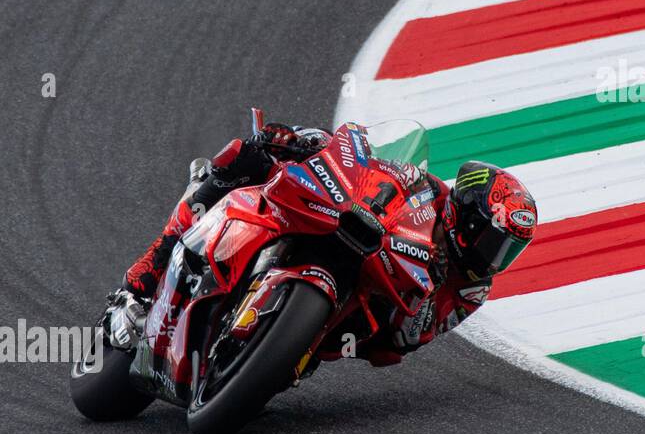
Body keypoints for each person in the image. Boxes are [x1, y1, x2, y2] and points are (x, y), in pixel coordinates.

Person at [103, 121, 537, 367]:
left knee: (332, 351)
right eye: (492, 240)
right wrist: (318, 144)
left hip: (361, 308)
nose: (492, 257)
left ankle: (267, 356)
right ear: (466, 212)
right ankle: (144, 279)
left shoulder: (471, 289)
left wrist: (410, 315)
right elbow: (374, 165)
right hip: (346, 227)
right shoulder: (426, 190)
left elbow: (409, 339)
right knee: (248, 155)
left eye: (505, 251)